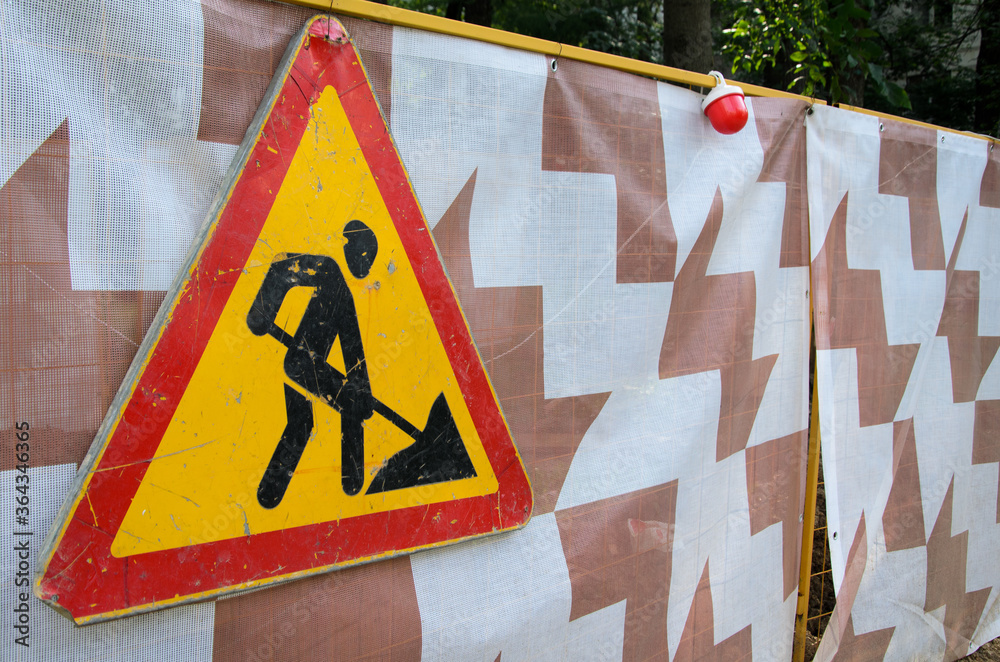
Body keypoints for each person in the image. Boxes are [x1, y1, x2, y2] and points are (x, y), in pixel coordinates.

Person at [247, 220, 378, 507]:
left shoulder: (345, 296)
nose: (366, 267)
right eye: (365, 256)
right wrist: (262, 312)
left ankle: (349, 482)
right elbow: (281, 269)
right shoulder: (330, 270)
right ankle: (350, 481)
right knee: (321, 415)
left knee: (304, 422)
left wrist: (362, 390)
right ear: (351, 248)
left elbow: (353, 351)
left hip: (308, 366)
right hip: (301, 362)